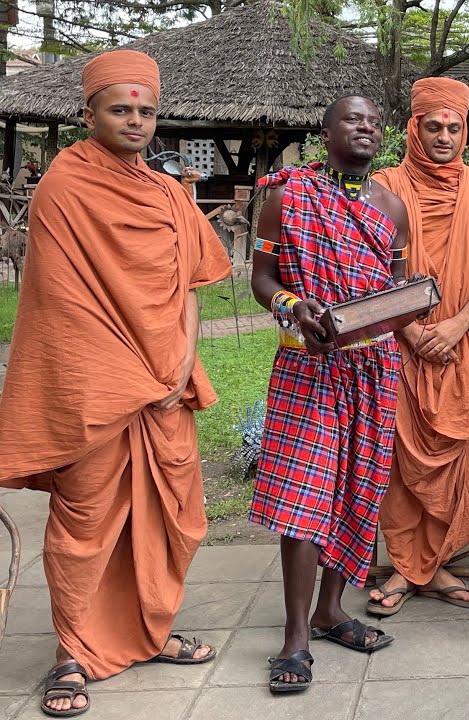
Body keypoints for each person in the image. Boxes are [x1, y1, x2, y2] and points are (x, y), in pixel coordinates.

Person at [0, 49, 231, 716]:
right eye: (121, 108)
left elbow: (189, 289)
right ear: (88, 114)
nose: (136, 120)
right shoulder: (64, 189)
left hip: (167, 389)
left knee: (173, 520)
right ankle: (71, 653)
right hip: (97, 391)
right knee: (85, 524)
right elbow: (63, 305)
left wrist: (181, 367)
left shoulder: (166, 193)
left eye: (146, 111)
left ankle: (146, 631)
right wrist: (135, 378)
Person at [249, 95, 410, 692]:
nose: (365, 128)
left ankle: (331, 610)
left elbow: (395, 291)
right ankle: (295, 637)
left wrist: (412, 301)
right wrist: (294, 307)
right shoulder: (288, 197)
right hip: (306, 366)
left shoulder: (391, 207)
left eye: (373, 122)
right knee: (303, 494)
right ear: (326, 131)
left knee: (357, 487)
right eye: (352, 119)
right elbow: (263, 280)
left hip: (371, 367)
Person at [366, 77, 469, 616]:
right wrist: (410, 329)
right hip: (396, 346)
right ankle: (410, 569)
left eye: (455, 127)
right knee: (400, 462)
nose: (446, 136)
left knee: (459, 459)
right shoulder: (380, 189)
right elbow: (370, 271)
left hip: (461, 344)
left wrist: (456, 326)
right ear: (414, 128)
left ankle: (431, 565)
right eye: (434, 126)